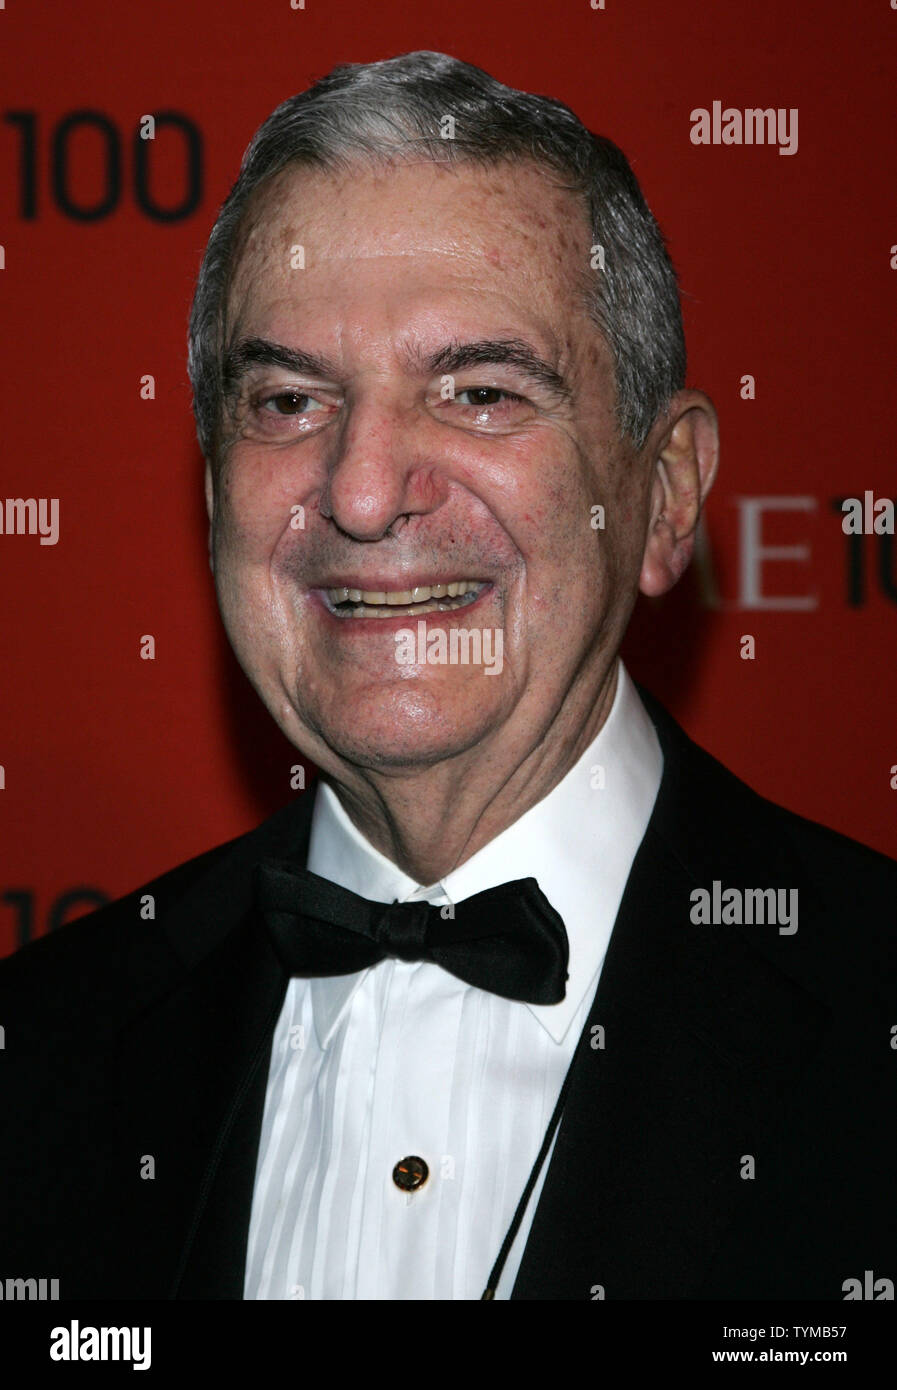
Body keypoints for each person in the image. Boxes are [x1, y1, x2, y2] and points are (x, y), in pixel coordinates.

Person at [1, 51, 893, 1303]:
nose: (363, 491)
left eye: (478, 391)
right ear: (212, 498)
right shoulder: (37, 1055)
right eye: (288, 400)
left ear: (666, 491)